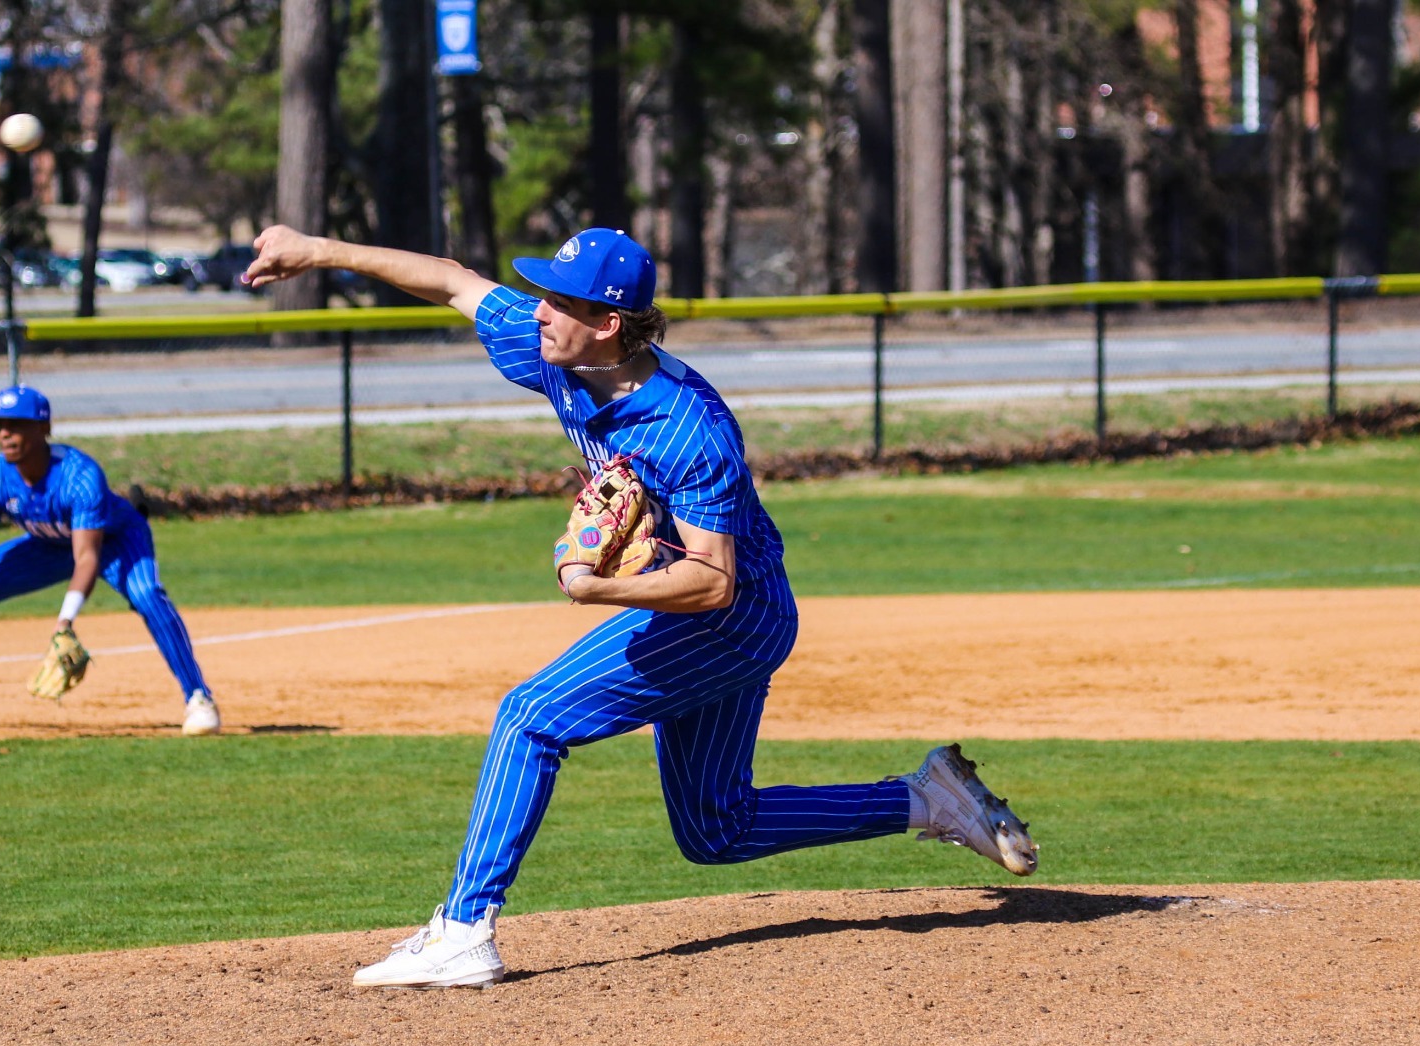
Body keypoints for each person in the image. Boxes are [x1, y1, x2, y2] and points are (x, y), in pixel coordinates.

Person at [244, 226, 1036, 989]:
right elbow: (452, 279)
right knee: (714, 831)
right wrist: (316, 251)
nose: (538, 308)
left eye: (558, 300)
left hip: (730, 618)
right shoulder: (556, 346)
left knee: (531, 714)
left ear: (607, 324)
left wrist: (597, 587)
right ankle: (926, 797)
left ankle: (463, 931)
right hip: (714, 607)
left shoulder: (690, 428)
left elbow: (713, 579)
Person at [0, 385, 220, 736]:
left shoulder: (79, 475)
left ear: (44, 428)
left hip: (116, 542)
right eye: (0, 424)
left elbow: (87, 556)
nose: (5, 434)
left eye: (16, 425)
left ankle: (199, 699)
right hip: (48, 545)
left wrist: (65, 621)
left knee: (148, 596)